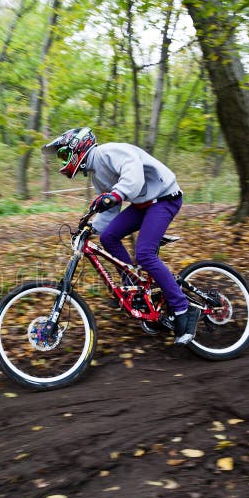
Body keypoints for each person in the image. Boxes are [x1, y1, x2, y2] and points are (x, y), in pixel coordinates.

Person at [41, 127, 200, 345]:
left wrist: (115, 195)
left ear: (78, 147)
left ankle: (183, 308)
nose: (64, 160)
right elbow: (110, 208)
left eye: (64, 154)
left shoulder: (109, 152)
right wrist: (92, 229)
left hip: (164, 198)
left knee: (144, 254)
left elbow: (132, 174)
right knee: (108, 237)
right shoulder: (97, 174)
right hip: (143, 204)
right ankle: (134, 288)